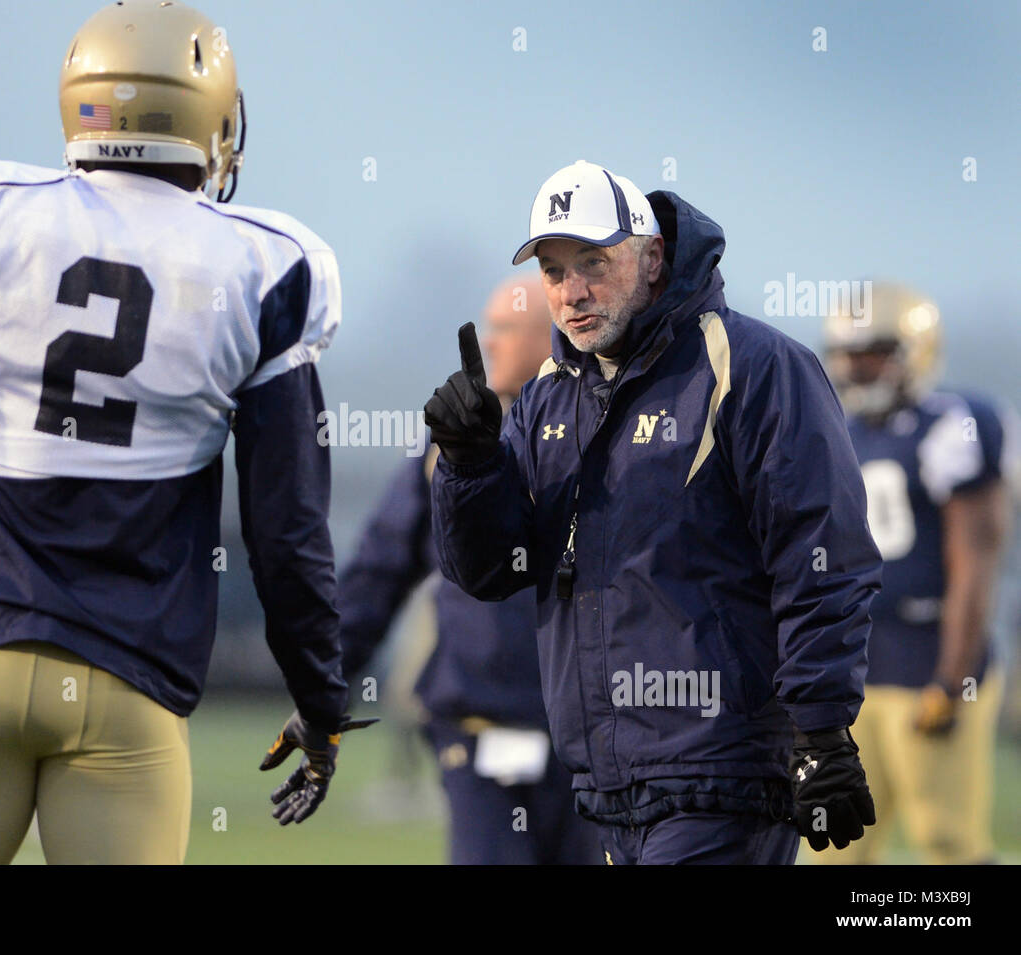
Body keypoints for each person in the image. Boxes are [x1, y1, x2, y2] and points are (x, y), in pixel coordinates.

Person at [0, 0, 369, 865]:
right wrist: (319, 700)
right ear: (207, 115)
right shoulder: (265, 269)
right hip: (131, 684)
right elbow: (288, 536)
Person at [423, 160, 883, 864]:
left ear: (654, 257)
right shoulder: (548, 396)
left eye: (593, 262)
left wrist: (821, 732)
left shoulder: (753, 368)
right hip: (605, 791)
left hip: (721, 783)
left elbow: (823, 559)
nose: (572, 291)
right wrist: (469, 464)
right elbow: (487, 569)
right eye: (552, 270)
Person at [341, 274, 599, 864]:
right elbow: (379, 570)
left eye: (506, 329)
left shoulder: (598, 435)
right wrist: (324, 679)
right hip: (478, 726)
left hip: (586, 740)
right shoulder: (448, 450)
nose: (490, 343)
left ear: (551, 337)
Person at [815, 283, 1017, 863]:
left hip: (929, 658)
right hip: (854, 670)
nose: (857, 365)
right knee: (835, 844)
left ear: (914, 350)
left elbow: (974, 563)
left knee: (946, 838)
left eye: (874, 350)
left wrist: (952, 678)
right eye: (848, 352)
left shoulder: (955, 424)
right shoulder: (836, 430)